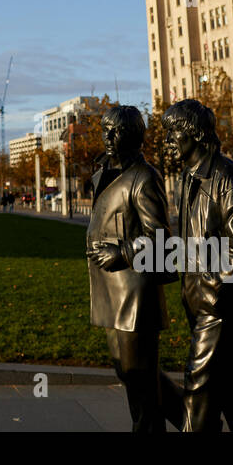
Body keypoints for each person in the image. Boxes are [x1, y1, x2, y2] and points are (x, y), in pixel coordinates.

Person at [86, 105, 179, 432]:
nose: (109, 137)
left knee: (138, 375)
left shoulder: (143, 177)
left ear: (135, 136)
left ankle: (151, 427)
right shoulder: (107, 173)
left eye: (117, 131)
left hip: (134, 292)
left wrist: (122, 252)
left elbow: (162, 238)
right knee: (129, 371)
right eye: (105, 130)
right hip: (112, 291)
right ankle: (190, 419)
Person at [163, 99, 233, 432]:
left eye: (173, 132)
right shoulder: (188, 178)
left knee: (197, 387)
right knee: (230, 393)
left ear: (195, 133)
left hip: (219, 307)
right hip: (199, 304)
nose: (168, 140)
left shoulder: (226, 176)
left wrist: (212, 289)